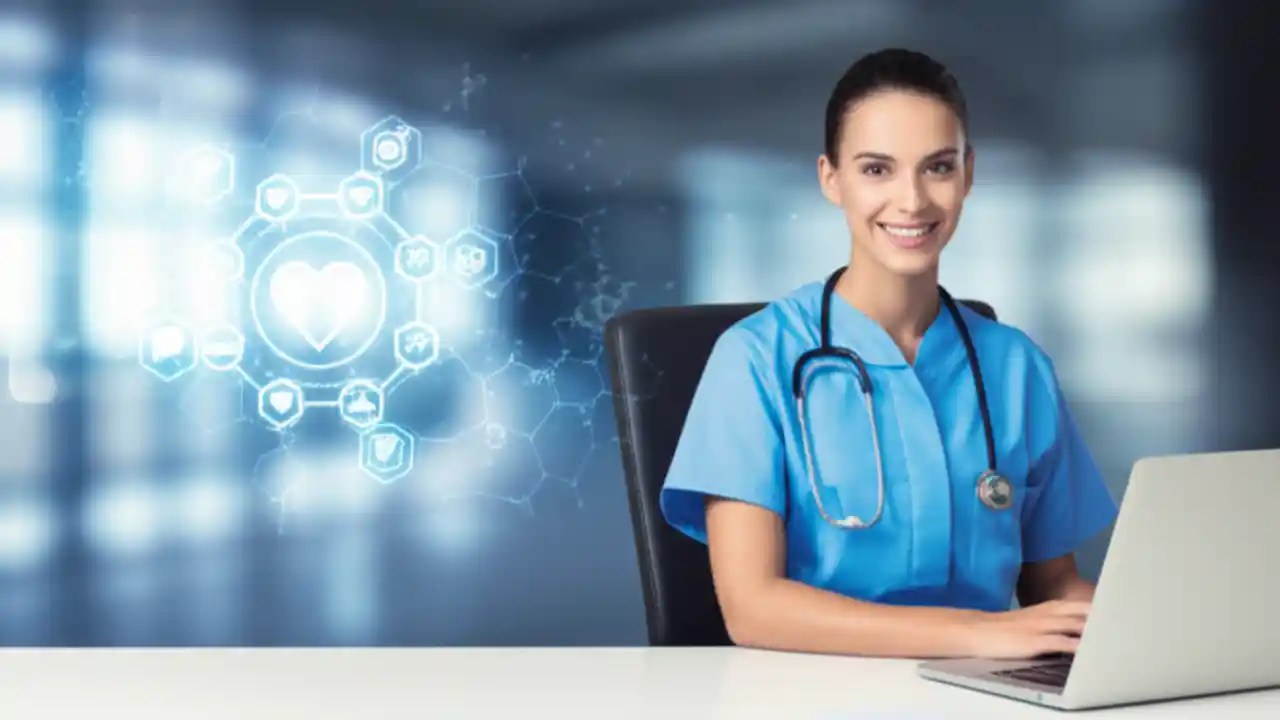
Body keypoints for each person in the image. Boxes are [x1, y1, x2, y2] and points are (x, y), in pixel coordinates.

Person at [659, 48, 1119, 660]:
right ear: (831, 178)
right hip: (809, 695)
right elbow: (753, 608)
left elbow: (1052, 585)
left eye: (937, 167)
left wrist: (1153, 632)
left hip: (980, 693)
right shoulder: (754, 359)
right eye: (877, 170)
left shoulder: (1015, 368)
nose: (912, 202)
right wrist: (977, 635)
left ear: (969, 174)